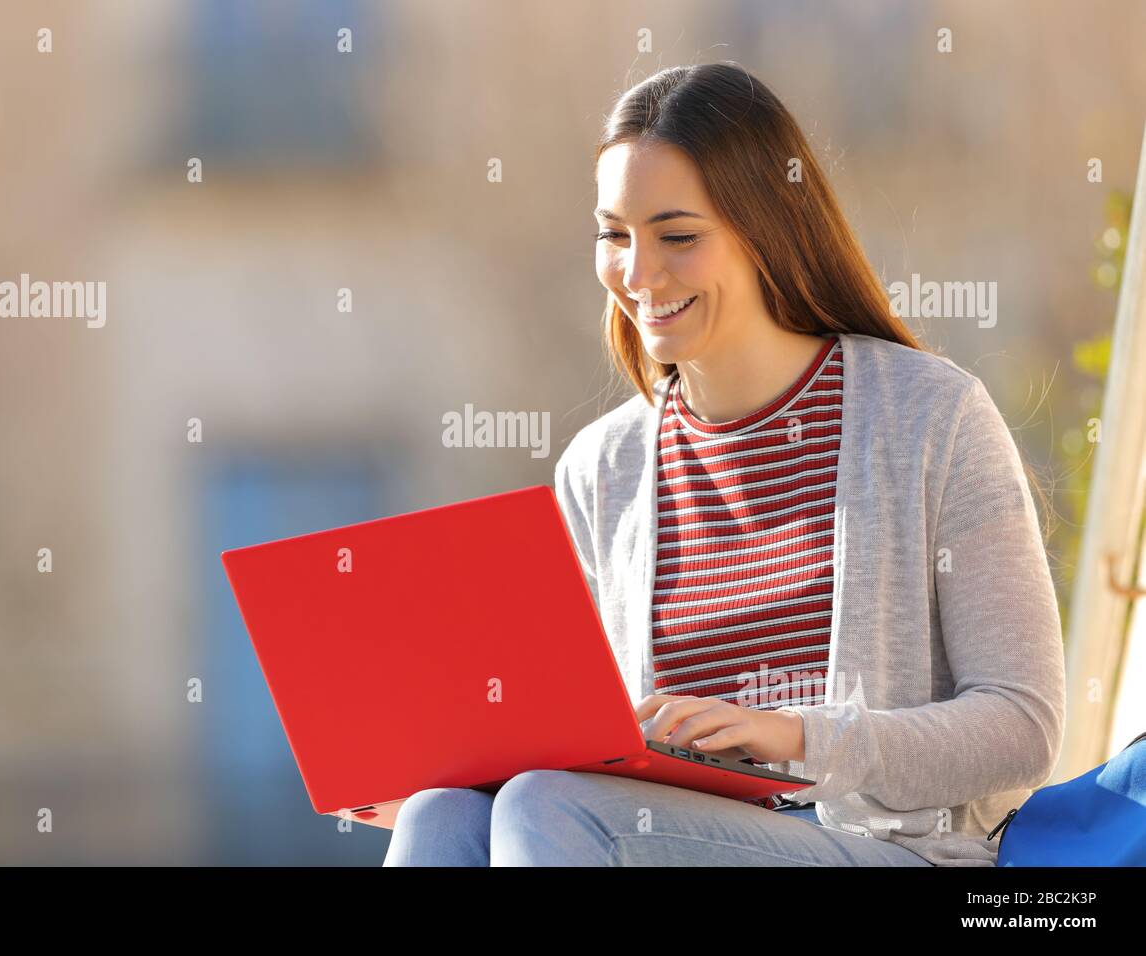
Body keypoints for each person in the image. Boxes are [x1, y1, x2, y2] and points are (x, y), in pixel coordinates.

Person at [384, 63, 1065, 867]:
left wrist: (799, 737)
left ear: (767, 229)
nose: (638, 275)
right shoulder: (603, 469)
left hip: (884, 850)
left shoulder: (929, 416)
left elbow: (1022, 725)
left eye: (677, 236)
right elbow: (593, 751)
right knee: (439, 817)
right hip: (660, 837)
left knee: (549, 806)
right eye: (614, 235)